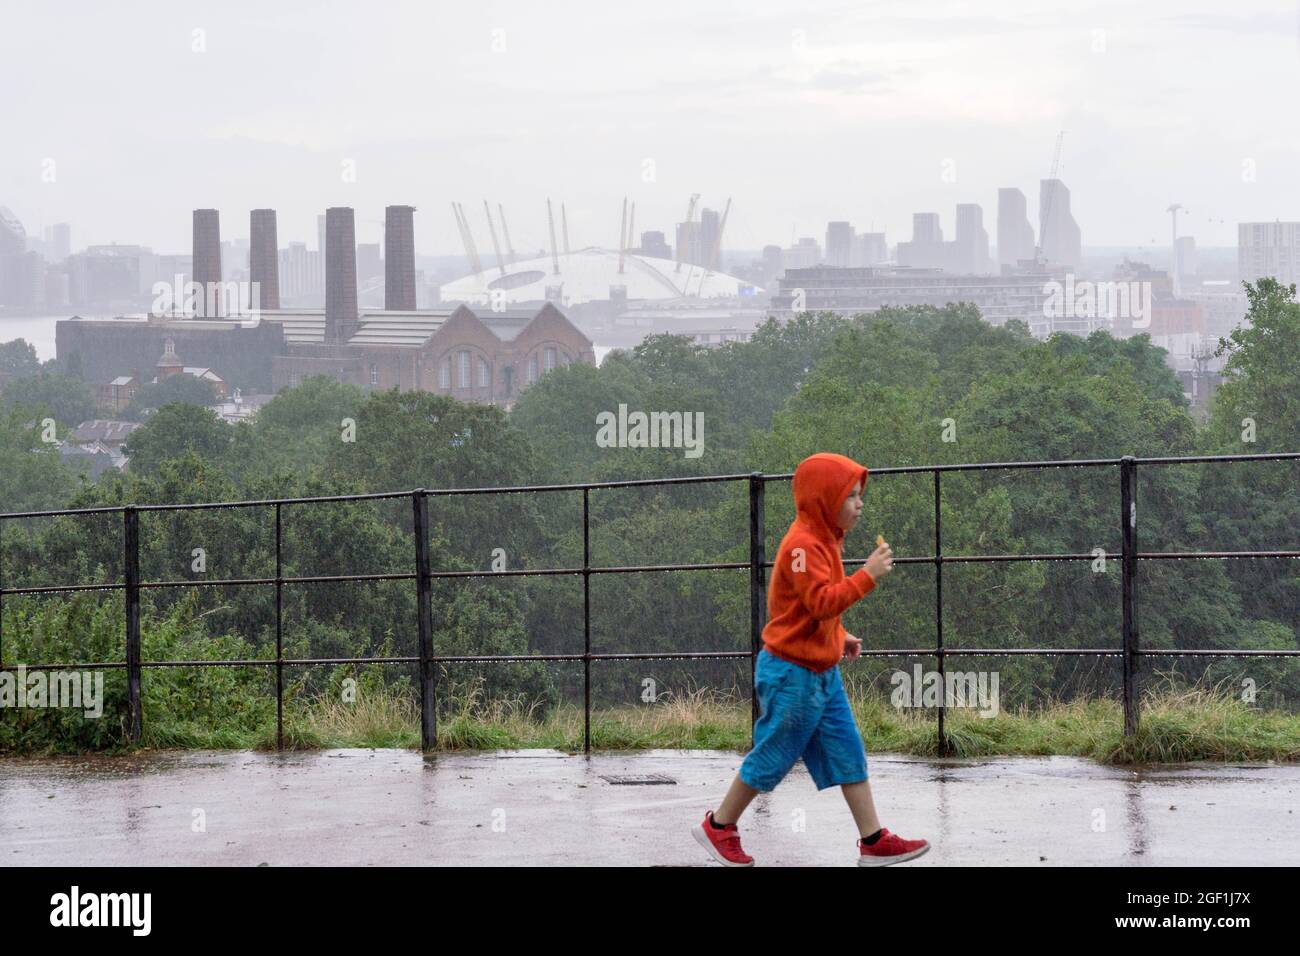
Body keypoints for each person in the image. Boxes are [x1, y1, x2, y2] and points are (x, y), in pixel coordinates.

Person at [693, 452, 930, 867]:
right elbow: (820, 602)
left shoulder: (825, 540)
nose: (861, 503)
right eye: (851, 495)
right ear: (825, 499)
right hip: (791, 673)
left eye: (860, 495)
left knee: (847, 749)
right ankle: (718, 825)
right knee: (775, 752)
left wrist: (839, 636)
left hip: (821, 670)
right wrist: (867, 575)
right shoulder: (803, 546)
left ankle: (873, 840)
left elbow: (809, 615)